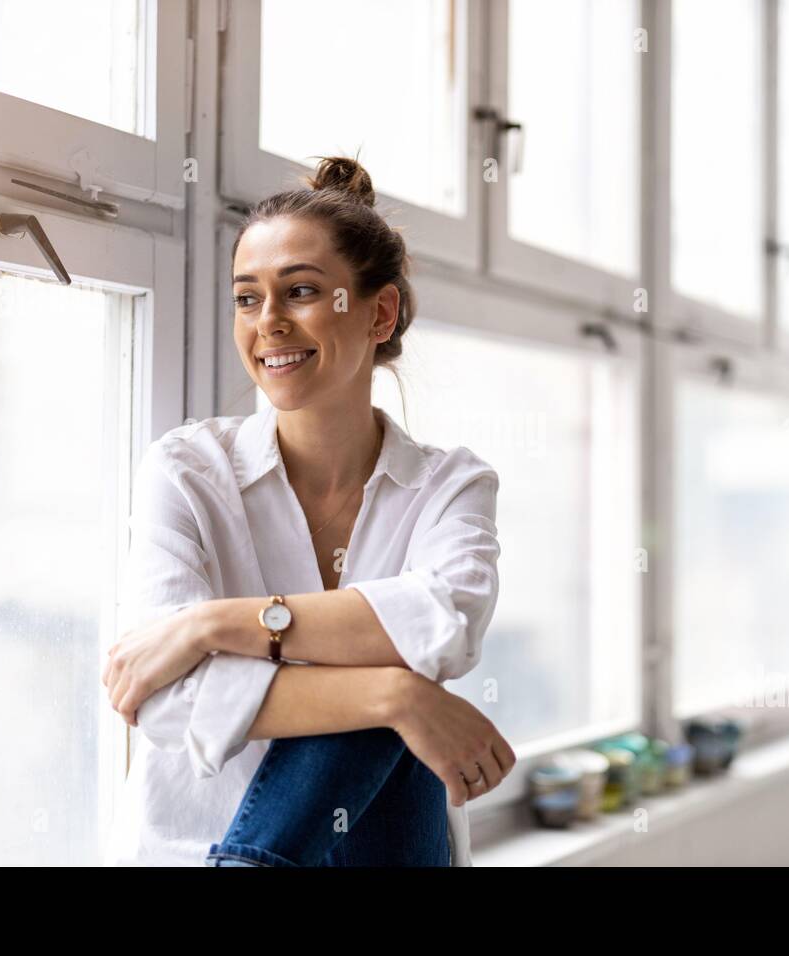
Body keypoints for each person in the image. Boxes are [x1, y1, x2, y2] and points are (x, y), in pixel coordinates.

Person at [101, 156, 515, 866]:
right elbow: (161, 699)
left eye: (300, 292)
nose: (268, 325)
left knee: (401, 668)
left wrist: (211, 624)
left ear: (378, 313)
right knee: (393, 681)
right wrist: (392, 697)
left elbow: (441, 626)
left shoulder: (449, 485)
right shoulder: (186, 470)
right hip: (195, 846)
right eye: (246, 298)